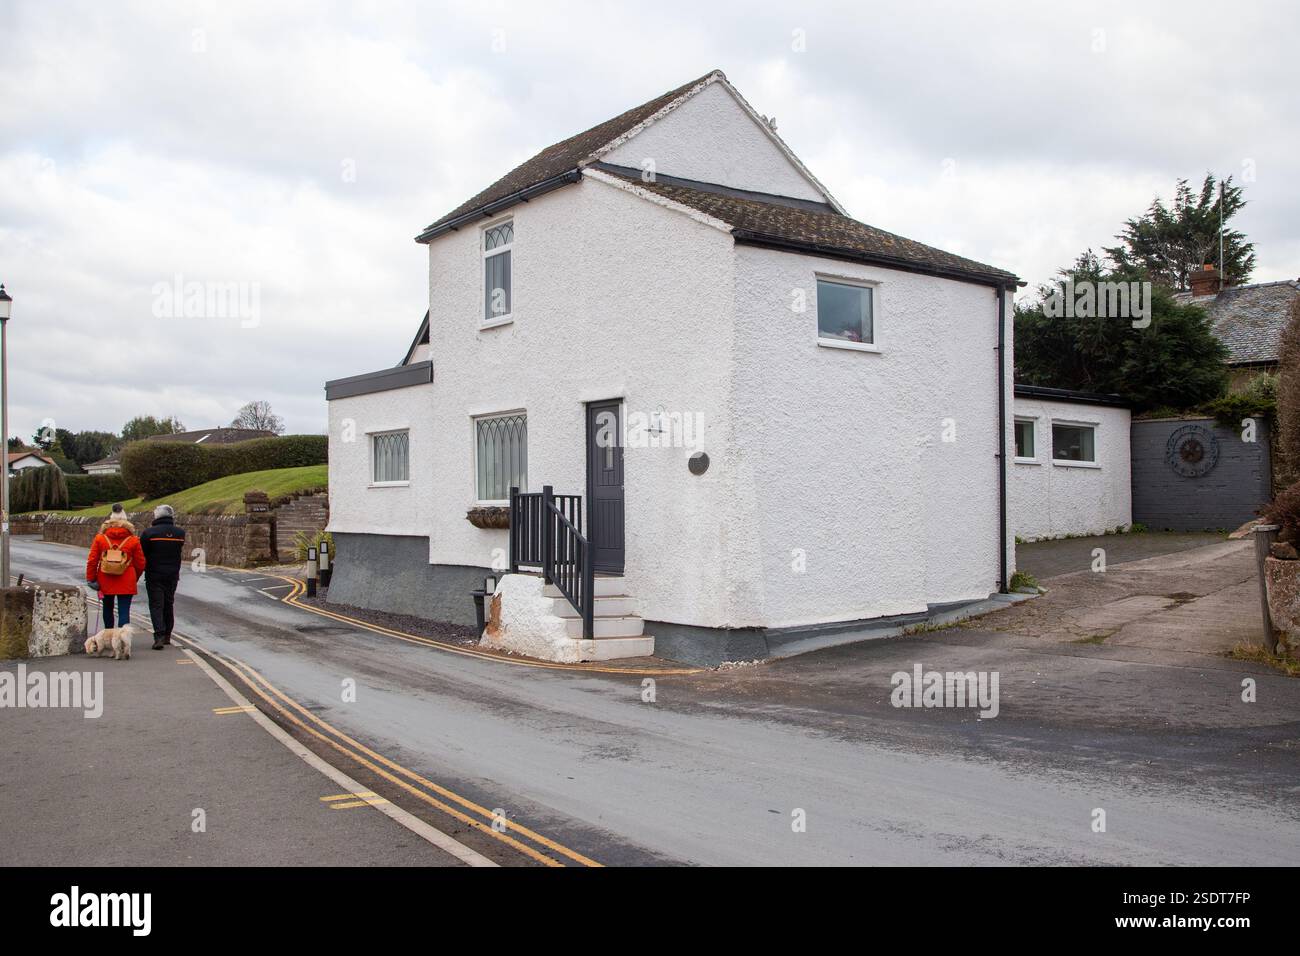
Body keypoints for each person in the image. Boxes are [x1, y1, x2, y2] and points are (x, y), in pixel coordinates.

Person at [86, 508, 146, 630]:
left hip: (105, 578)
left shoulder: (100, 538)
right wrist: (135, 577)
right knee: (124, 610)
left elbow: (92, 560)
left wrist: (91, 579)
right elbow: (140, 563)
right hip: (127, 578)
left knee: (107, 608)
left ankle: (109, 636)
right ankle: (123, 640)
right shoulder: (133, 540)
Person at [138, 504, 186, 650]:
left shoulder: (149, 533)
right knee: (168, 604)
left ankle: (158, 635)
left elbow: (143, 554)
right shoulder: (180, 533)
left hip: (154, 574)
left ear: (157, 516)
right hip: (172, 574)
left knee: (156, 605)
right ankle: (167, 636)